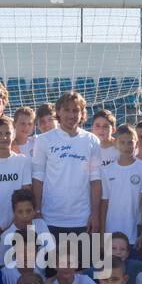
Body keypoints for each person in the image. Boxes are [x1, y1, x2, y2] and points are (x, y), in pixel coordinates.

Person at [32, 91, 102, 238]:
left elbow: (95, 181)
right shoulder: (43, 140)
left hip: (83, 219)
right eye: (67, 110)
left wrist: (95, 214)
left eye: (76, 110)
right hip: (49, 218)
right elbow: (37, 179)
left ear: (82, 113)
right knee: (50, 262)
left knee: (87, 261)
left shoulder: (92, 140)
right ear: (58, 111)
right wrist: (37, 211)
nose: (71, 115)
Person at [101, 125, 142, 248]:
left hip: (134, 233)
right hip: (111, 231)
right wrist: (102, 233)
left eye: (130, 142)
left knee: (133, 265)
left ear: (136, 144)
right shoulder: (107, 170)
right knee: (111, 266)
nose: (126, 146)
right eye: (122, 142)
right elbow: (105, 203)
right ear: (116, 144)